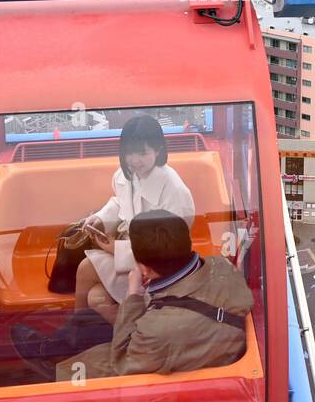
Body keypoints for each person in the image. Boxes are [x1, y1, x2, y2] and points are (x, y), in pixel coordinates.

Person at [57, 209, 254, 381]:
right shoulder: (222, 267)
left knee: (57, 356)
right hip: (189, 341)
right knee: (82, 321)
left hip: (116, 369)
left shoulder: (157, 330)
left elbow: (121, 362)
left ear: (145, 270)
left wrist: (133, 294)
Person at [75, 115, 195, 324]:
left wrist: (114, 248)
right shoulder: (124, 175)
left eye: (142, 153)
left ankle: (77, 334)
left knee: (86, 270)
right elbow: (119, 202)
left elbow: (170, 252)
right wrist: (100, 218)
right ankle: (89, 334)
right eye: (129, 152)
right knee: (96, 298)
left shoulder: (174, 190)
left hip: (161, 272)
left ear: (158, 150)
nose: (134, 160)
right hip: (135, 256)